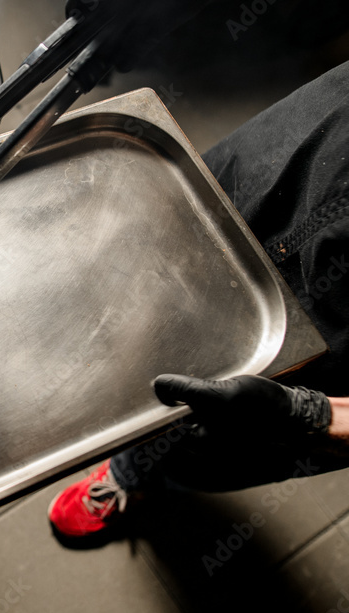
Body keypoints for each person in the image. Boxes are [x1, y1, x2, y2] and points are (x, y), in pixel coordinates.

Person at [48, 8, 349, 541]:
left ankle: (138, 473)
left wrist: (316, 418)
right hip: (315, 145)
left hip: (337, 337)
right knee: (158, 253)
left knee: (213, 427)